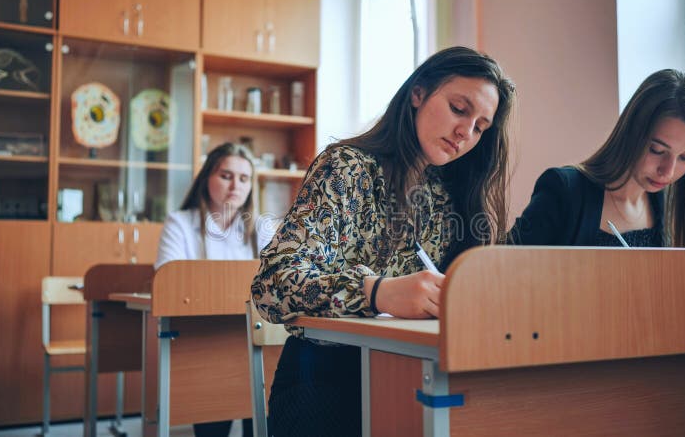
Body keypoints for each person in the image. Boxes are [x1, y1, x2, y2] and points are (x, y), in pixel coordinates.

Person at [250, 46, 516, 437]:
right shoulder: (347, 168)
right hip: (326, 380)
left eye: (480, 127)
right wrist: (377, 293)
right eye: (460, 109)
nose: (466, 133)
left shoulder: (454, 192)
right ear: (418, 93)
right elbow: (273, 283)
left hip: (417, 373)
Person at [509, 68, 685, 248]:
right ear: (632, 132)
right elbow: (502, 274)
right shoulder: (564, 190)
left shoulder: (674, 204)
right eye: (657, 150)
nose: (668, 171)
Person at [156, 142, 272, 437]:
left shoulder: (261, 228)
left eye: (244, 179)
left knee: (262, 419)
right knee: (213, 416)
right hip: (204, 337)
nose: (236, 186)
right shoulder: (180, 223)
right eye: (226, 176)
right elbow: (170, 281)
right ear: (206, 177)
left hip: (252, 334)